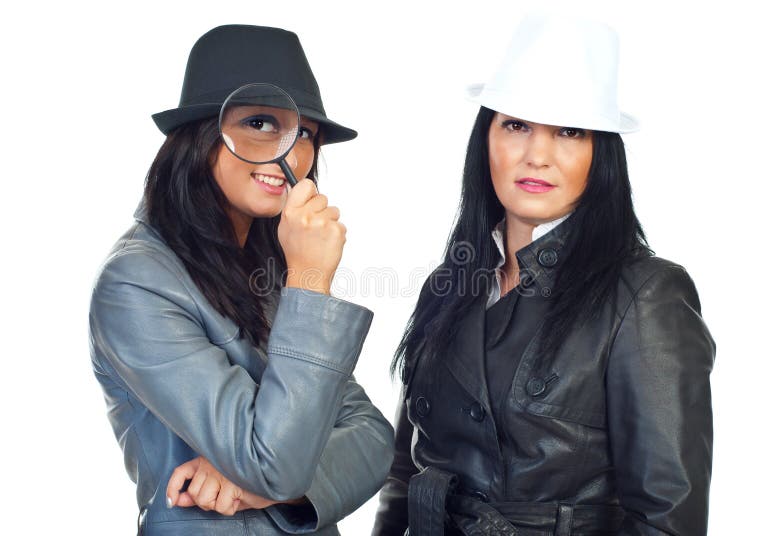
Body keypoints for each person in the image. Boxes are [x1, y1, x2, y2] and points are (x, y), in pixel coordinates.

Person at [373, 14, 715, 536]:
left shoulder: (646, 295)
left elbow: (667, 519)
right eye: (517, 125)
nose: (538, 156)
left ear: (601, 154)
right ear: (485, 137)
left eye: (569, 132)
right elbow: (406, 476)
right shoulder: (450, 283)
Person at [89, 24, 393, 535]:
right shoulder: (135, 283)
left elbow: (373, 438)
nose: (291, 154)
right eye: (259, 123)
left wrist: (258, 486)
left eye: (306, 137)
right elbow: (275, 461)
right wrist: (312, 277)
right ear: (202, 134)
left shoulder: (267, 271)